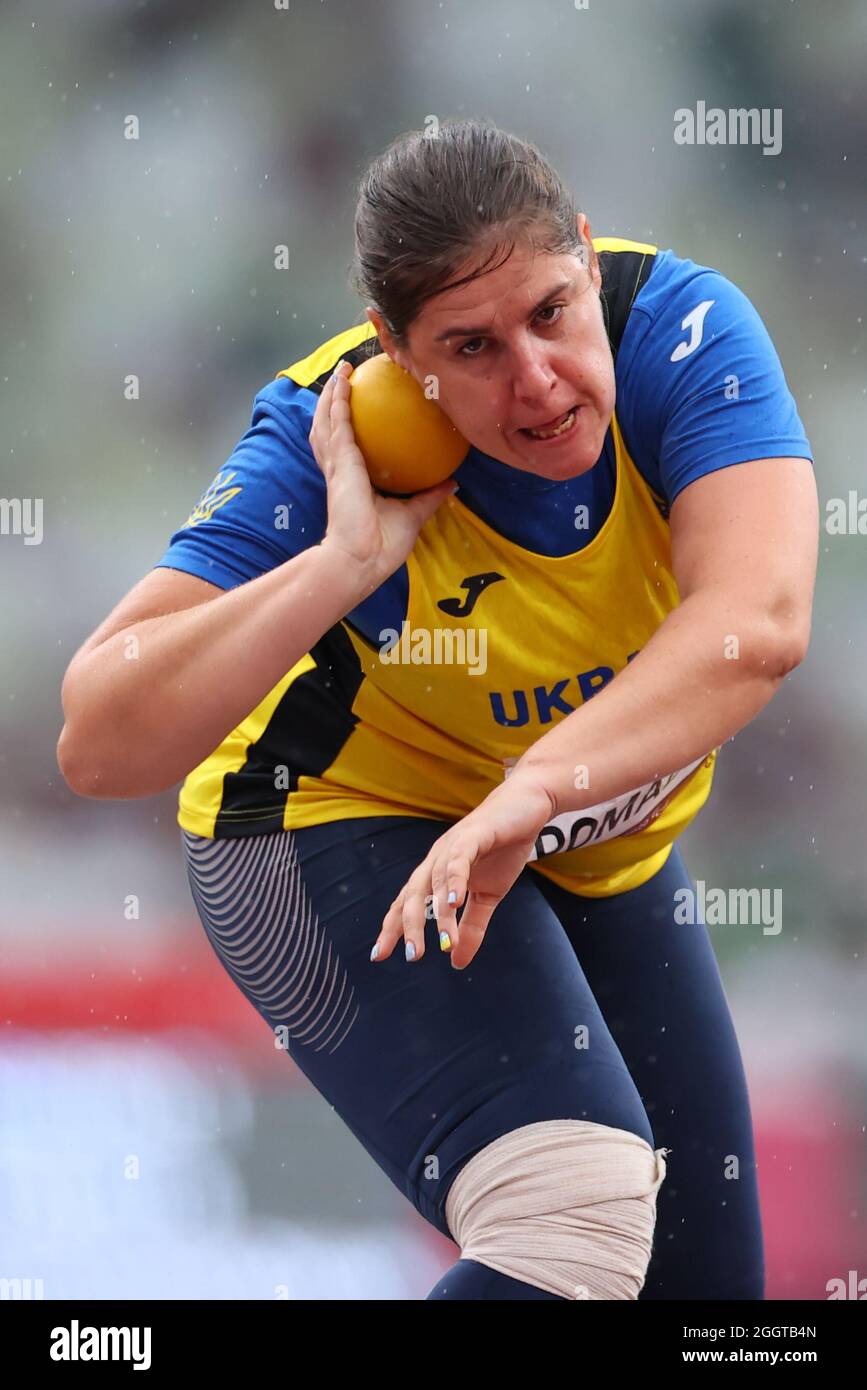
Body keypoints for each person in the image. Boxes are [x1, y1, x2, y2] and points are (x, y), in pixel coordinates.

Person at [57, 118, 818, 1301]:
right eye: (470, 347)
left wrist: (533, 788)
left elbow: (756, 627)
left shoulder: (685, 332)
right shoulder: (329, 440)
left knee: (707, 1305)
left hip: (563, 829)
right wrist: (337, 565)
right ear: (393, 351)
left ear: (582, 252)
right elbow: (100, 740)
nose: (537, 380)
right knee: (572, 1217)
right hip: (326, 827)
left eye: (553, 313)